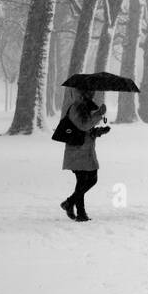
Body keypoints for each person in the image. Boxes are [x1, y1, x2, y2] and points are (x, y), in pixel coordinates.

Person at [59, 88, 110, 222]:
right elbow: (83, 125)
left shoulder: (87, 107)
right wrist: (99, 113)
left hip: (87, 150)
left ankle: (70, 203)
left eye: (92, 92)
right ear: (82, 93)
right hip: (76, 150)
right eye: (89, 92)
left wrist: (99, 131)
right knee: (82, 182)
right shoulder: (75, 108)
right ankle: (80, 213)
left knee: (92, 179)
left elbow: (88, 129)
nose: (91, 94)